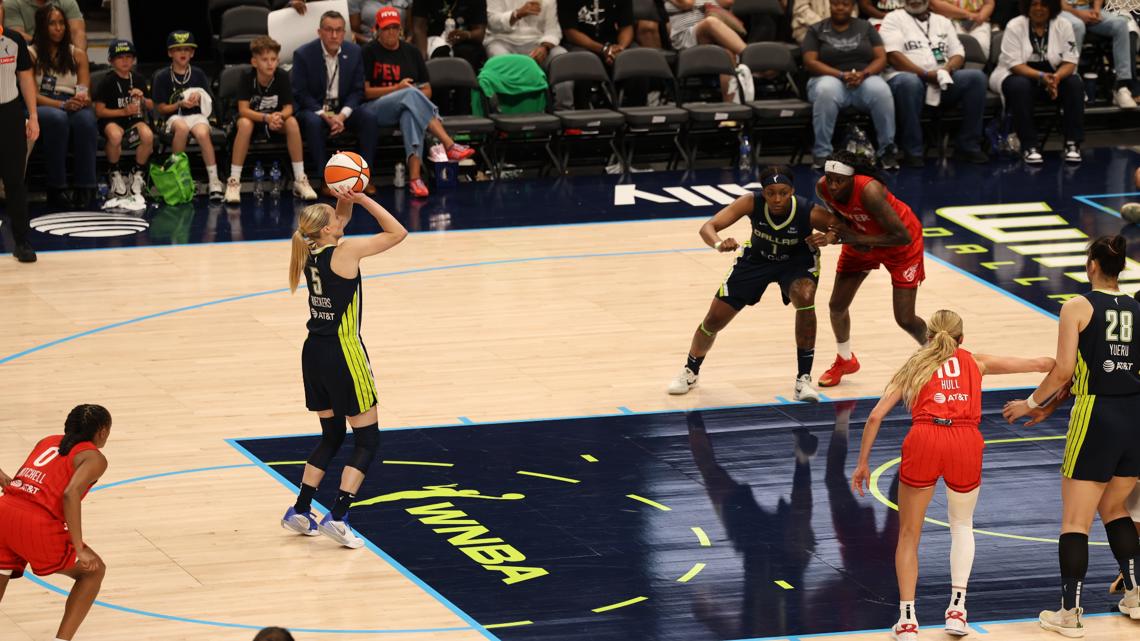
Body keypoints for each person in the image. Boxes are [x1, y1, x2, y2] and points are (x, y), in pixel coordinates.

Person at [852, 310, 1055, 640]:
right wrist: (1040, 396)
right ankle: (957, 612)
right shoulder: (977, 361)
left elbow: (875, 417)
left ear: (929, 336)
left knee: (908, 534)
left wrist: (863, 463)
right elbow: (1044, 364)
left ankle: (907, 620)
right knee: (962, 525)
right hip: (965, 440)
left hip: (924, 439)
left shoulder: (915, 364)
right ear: (961, 338)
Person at [1003, 235, 1140, 634]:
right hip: (1134, 414)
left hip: (1096, 413)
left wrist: (1031, 403)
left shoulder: (1077, 306)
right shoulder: (1137, 307)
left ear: (1092, 265)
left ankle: (1069, 614)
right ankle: (1134, 594)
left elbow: (1064, 370)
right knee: (1114, 508)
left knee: (1075, 521)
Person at [284, 187, 409, 547]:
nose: (342, 220)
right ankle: (337, 516)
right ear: (327, 230)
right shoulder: (347, 251)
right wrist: (367, 196)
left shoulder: (307, 248)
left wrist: (346, 194)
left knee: (332, 435)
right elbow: (397, 232)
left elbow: (342, 217)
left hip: (314, 354)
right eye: (335, 218)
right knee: (367, 439)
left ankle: (300, 509)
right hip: (345, 353)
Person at [667, 165, 835, 401]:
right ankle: (690, 371)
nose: (777, 199)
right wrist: (718, 243)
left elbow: (839, 228)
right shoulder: (750, 202)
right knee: (714, 319)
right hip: (757, 260)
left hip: (796, 263)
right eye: (771, 193)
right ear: (763, 192)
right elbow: (708, 227)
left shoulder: (808, 210)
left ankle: (803, 379)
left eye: (784, 193)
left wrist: (828, 237)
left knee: (805, 297)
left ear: (792, 191)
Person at [814, 150, 928, 387]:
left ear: (852, 178)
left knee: (905, 319)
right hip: (861, 239)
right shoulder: (822, 187)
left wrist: (860, 239)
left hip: (899, 246)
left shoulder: (870, 191)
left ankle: (938, 355)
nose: (833, 186)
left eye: (839, 181)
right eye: (830, 178)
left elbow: (902, 236)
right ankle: (845, 359)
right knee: (836, 306)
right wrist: (834, 235)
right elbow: (841, 219)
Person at [0, 404, 111, 641]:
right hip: (36, 523)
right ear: (102, 431)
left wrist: (4, 480)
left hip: (5, 510)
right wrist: (79, 547)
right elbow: (70, 494)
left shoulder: (47, 441)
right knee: (93, 571)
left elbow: (30, 479)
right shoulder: (94, 458)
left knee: (1, 570)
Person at [362, 8, 475, 198]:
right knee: (409, 94)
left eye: (394, 28)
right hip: (375, 109)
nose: (391, 32)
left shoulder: (412, 52)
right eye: (386, 28)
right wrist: (398, 89)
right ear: (377, 30)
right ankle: (448, 144)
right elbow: (365, 92)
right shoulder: (368, 52)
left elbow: (427, 90)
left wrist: (408, 93)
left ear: (400, 29)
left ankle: (415, 179)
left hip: (407, 106)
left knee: (410, 114)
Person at [880, 0, 989, 167]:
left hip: (941, 78)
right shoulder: (893, 18)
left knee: (976, 78)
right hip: (908, 78)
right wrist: (924, 74)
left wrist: (947, 69)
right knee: (909, 82)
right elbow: (893, 56)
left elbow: (958, 53)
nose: (915, 1)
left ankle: (967, 145)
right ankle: (913, 150)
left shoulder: (943, 21)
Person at [803, 0, 899, 170]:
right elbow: (810, 61)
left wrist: (865, 73)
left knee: (881, 90)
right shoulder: (816, 29)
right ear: (830, 6)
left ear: (853, 7)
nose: (840, 8)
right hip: (828, 77)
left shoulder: (865, 27)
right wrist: (841, 75)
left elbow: (881, 58)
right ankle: (822, 153)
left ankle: (887, 151)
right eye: (836, 4)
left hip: (864, 77)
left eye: (845, 4)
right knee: (826, 90)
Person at [292, 11, 377, 196]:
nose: (334, 35)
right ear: (319, 32)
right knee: (313, 123)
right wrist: (325, 116)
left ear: (344, 32)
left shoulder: (354, 52)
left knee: (368, 118)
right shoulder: (303, 54)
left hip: (341, 109)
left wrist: (341, 116)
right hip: (314, 109)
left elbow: (357, 91)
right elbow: (301, 93)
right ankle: (326, 180)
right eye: (329, 30)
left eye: (338, 30)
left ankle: (364, 177)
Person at [989, 0, 1084, 165]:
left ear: (1052, 7)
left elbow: (1070, 60)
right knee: (1020, 86)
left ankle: (1072, 143)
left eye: (1044, 4)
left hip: (1052, 75)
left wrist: (1056, 78)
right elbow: (1014, 65)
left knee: (1074, 83)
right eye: (1034, 4)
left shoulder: (1064, 25)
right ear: (1027, 6)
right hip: (1016, 74)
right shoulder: (1014, 25)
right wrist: (1042, 77)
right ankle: (1029, 145)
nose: (1038, 9)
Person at [226, 36, 318, 204]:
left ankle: (300, 179)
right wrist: (266, 117)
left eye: (273, 59)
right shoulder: (246, 76)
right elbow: (243, 110)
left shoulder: (282, 76)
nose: (270, 64)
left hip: (273, 121)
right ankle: (234, 181)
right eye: (265, 60)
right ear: (254, 62)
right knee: (246, 124)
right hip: (251, 119)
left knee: (291, 122)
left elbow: (288, 108)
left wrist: (279, 117)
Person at [29, 4, 94, 209]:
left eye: (61, 23)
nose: (59, 28)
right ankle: (56, 187)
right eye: (52, 24)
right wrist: (62, 105)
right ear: (42, 27)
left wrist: (80, 100)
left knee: (86, 120)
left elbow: (85, 92)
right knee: (57, 118)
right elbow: (31, 95)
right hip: (42, 102)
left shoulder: (77, 54)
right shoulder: (31, 54)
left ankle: (86, 186)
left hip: (72, 102)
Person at [152, 30, 224, 201]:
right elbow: (161, 108)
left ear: (192, 53)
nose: (183, 53)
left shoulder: (198, 74)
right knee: (182, 128)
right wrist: (179, 104)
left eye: (186, 49)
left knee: (202, 133)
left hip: (196, 115)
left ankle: (214, 180)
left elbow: (208, 100)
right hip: (174, 116)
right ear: (170, 53)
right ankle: (178, 177)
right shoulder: (162, 76)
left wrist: (199, 97)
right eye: (178, 50)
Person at [93, 39, 153, 212]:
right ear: (111, 61)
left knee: (147, 136)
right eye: (120, 57)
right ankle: (115, 172)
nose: (125, 61)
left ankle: (137, 173)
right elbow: (99, 111)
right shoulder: (107, 82)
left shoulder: (139, 79)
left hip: (134, 120)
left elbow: (151, 105)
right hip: (113, 120)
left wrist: (142, 98)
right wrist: (123, 112)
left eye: (128, 57)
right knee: (115, 135)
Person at [0, 19, 40, 263]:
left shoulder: (14, 40)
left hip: (10, 113)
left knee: (15, 179)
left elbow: (25, 78)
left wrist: (33, 116)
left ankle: (22, 242)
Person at [1059, 0, 1137, 108]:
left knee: (1121, 24)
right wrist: (1078, 14)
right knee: (1077, 25)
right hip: (1062, 10)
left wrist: (1096, 10)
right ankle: (1073, 85)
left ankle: (1121, 86)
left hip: (1087, 8)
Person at [412, 0, 487, 70]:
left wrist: (467, 35)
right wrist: (422, 59)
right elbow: (419, 27)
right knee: (439, 53)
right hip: (433, 39)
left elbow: (480, 33)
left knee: (470, 55)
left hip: (465, 41)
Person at [1, 0, 86, 50]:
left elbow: (77, 32)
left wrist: (79, 57)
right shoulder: (11, 2)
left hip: (65, 56)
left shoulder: (67, 2)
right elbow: (17, 35)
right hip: (29, 55)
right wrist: (49, 47)